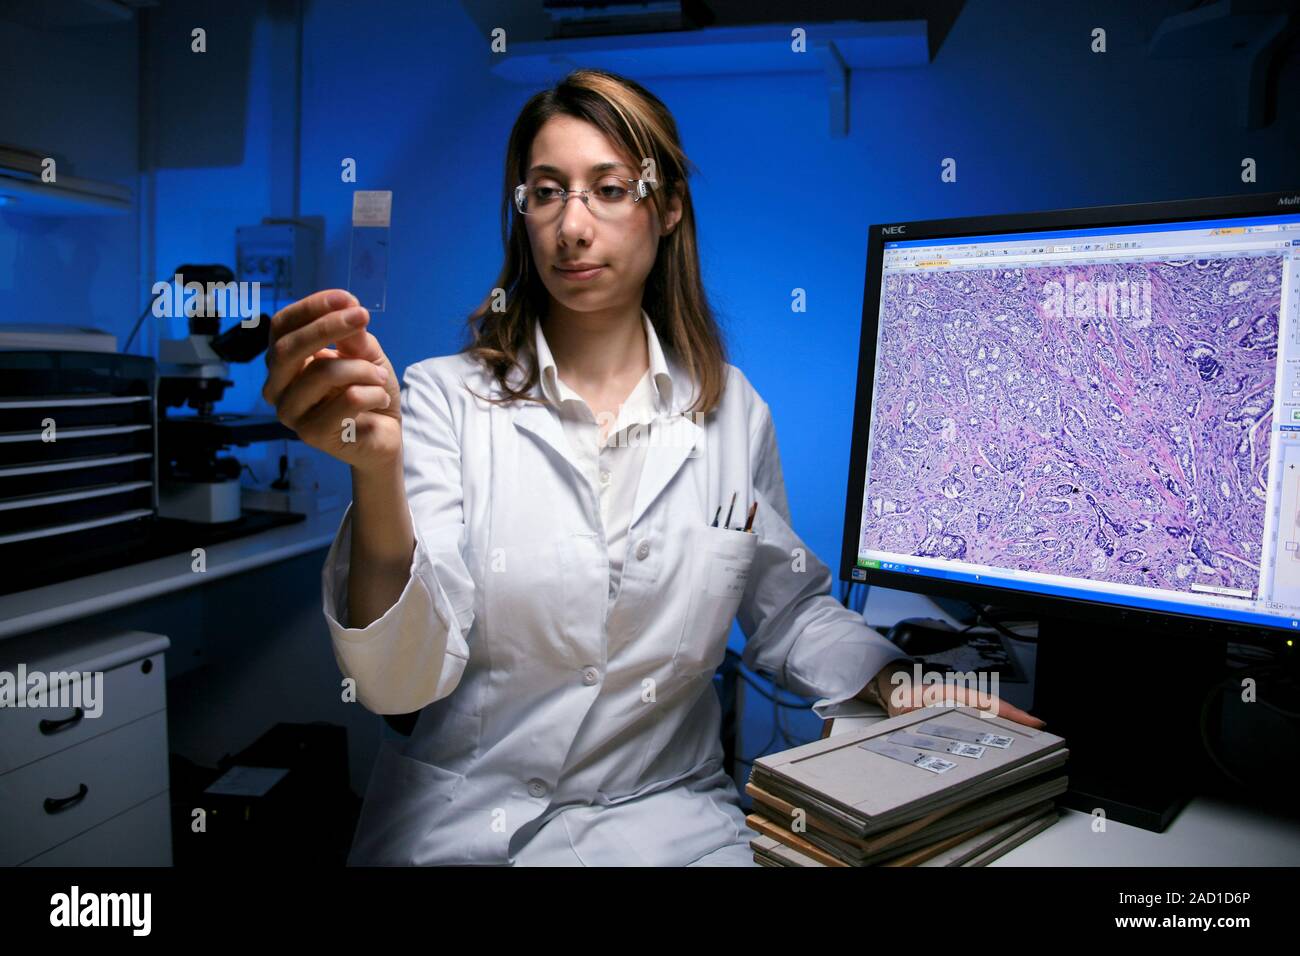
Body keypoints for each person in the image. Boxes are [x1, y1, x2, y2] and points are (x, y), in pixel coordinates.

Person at [262, 68, 1044, 866]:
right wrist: (377, 473)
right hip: (464, 829)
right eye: (546, 191)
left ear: (667, 207)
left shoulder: (732, 413)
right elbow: (398, 686)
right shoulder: (443, 400)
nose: (573, 226)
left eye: (609, 188)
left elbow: (789, 611)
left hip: (665, 828)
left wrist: (896, 679)